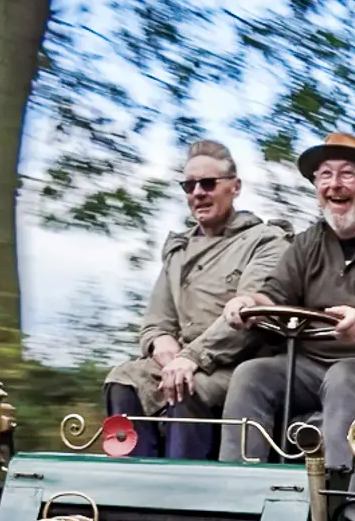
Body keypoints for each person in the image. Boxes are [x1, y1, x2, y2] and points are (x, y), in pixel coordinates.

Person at [220, 132, 355, 472]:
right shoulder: (308, 242)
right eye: (325, 175)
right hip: (313, 365)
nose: (334, 185)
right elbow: (275, 295)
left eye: (347, 174)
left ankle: (340, 512)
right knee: (252, 374)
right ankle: (239, 498)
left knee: (345, 375)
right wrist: (247, 302)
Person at [104, 139, 289, 458]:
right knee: (123, 379)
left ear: (235, 187)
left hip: (238, 362)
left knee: (188, 386)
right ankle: (131, 484)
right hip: (181, 360)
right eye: (189, 186)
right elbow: (155, 323)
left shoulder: (265, 241)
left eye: (207, 183)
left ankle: (183, 496)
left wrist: (190, 357)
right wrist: (162, 346)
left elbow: (249, 316)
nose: (197, 193)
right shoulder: (178, 251)